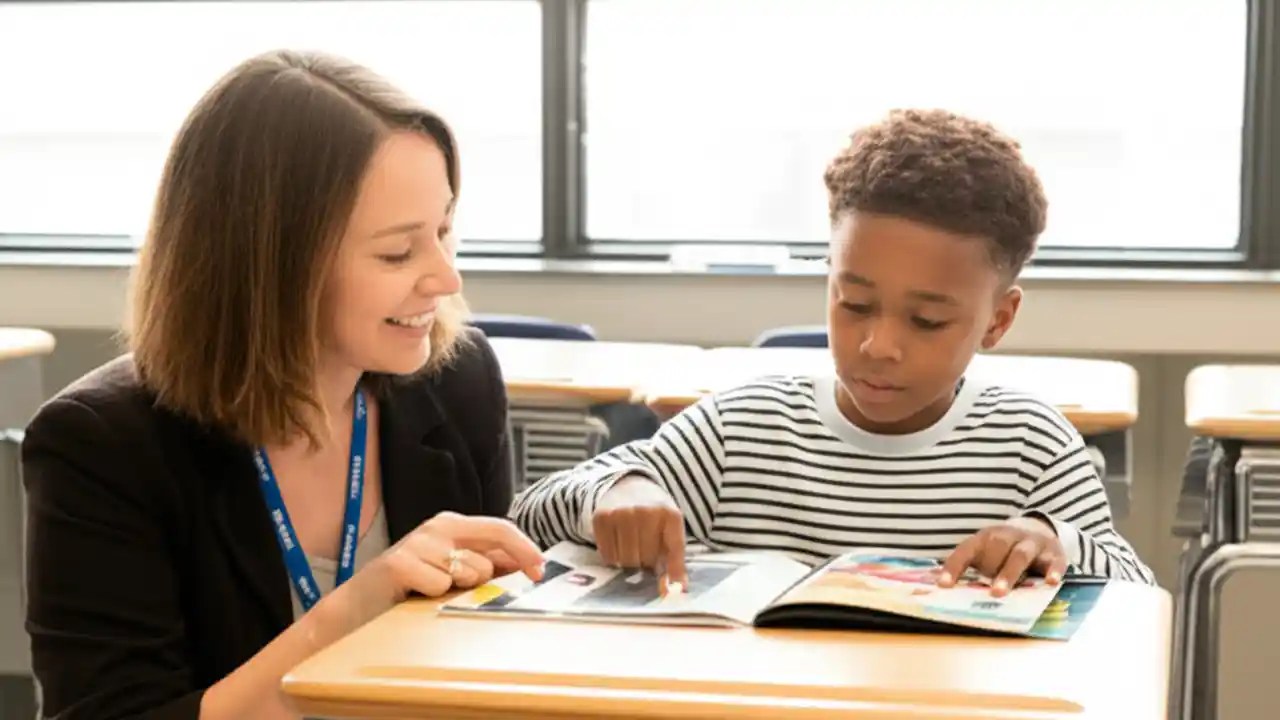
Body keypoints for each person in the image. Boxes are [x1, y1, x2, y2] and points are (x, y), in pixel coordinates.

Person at [21, 49, 544, 720]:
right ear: (270, 265)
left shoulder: (456, 382)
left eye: (445, 231)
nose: (447, 279)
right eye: (397, 251)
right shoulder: (100, 446)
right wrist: (355, 608)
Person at [512, 108, 1155, 596]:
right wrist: (618, 490)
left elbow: (1136, 592)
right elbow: (527, 515)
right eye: (853, 304)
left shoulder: (1030, 447)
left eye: (927, 321)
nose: (879, 346)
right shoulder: (743, 429)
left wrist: (1054, 540)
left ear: (998, 319)